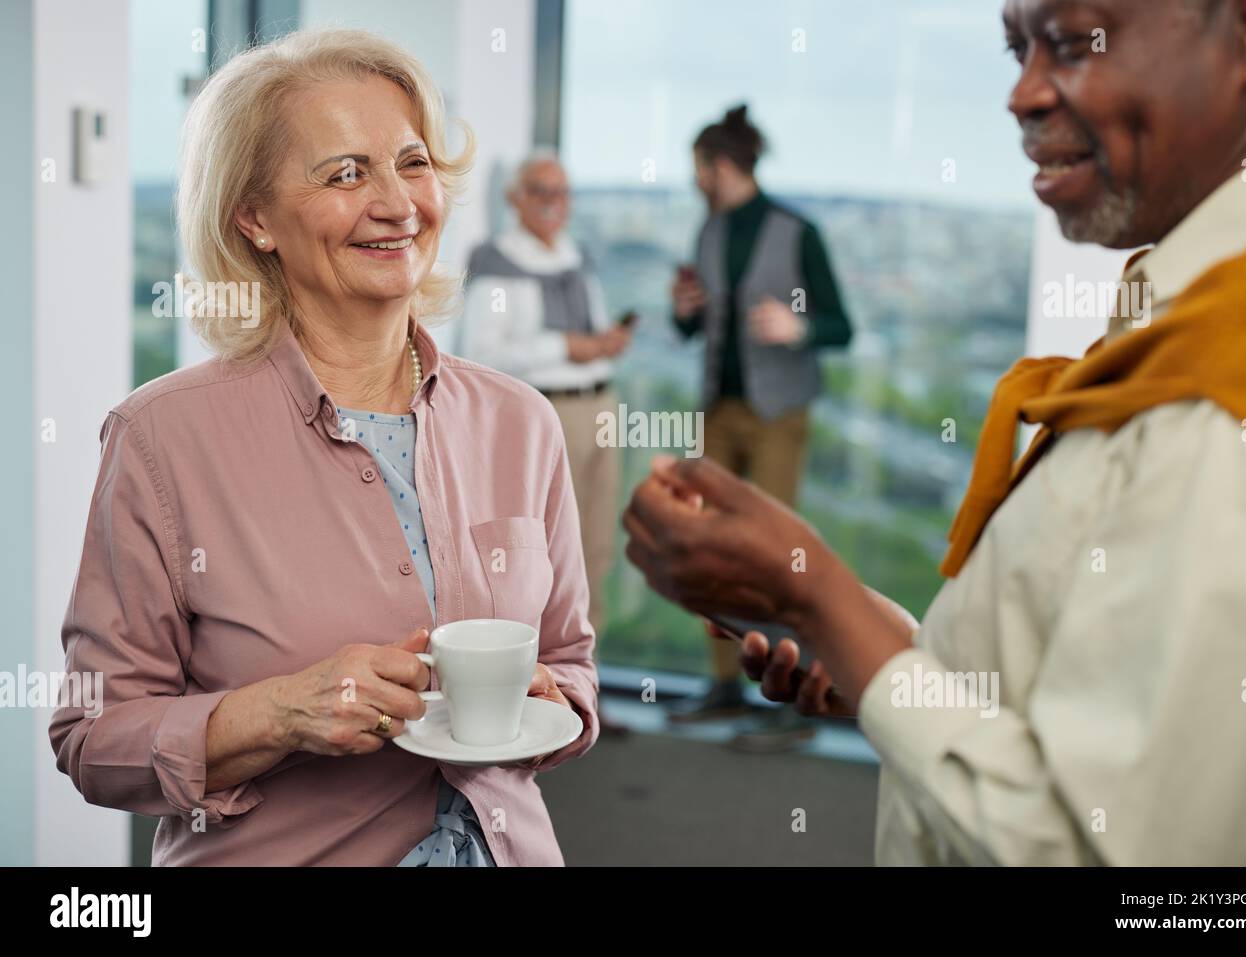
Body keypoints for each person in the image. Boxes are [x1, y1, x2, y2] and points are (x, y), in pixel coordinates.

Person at [624, 0, 1246, 864]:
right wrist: (891, 652)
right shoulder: (1188, 308)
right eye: (1017, 49)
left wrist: (818, 601)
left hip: (778, 403)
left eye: (1067, 41)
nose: (1019, 94)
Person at [48, 28, 598, 866]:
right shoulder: (161, 439)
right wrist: (280, 713)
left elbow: (571, 661)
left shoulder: (521, 421)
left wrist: (553, 702)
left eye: (412, 163)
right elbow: (91, 737)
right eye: (345, 173)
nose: (398, 203)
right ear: (255, 218)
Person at [667, 104, 853, 751]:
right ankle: (725, 686)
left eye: (697, 168)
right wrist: (685, 313)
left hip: (778, 414)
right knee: (703, 545)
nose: (693, 180)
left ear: (720, 166)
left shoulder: (797, 232)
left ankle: (789, 694)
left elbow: (842, 325)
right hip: (717, 408)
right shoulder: (709, 233)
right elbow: (697, 328)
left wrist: (798, 326)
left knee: (775, 555)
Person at [458, 150, 631, 734]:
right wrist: (567, 349)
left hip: (597, 409)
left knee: (595, 553)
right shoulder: (497, 263)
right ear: (514, 198)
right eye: (541, 191)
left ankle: (581, 692)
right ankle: (522, 695)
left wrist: (602, 344)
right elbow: (480, 353)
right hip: (543, 418)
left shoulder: (576, 257)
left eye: (563, 192)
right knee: (541, 563)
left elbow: (587, 337)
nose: (554, 204)